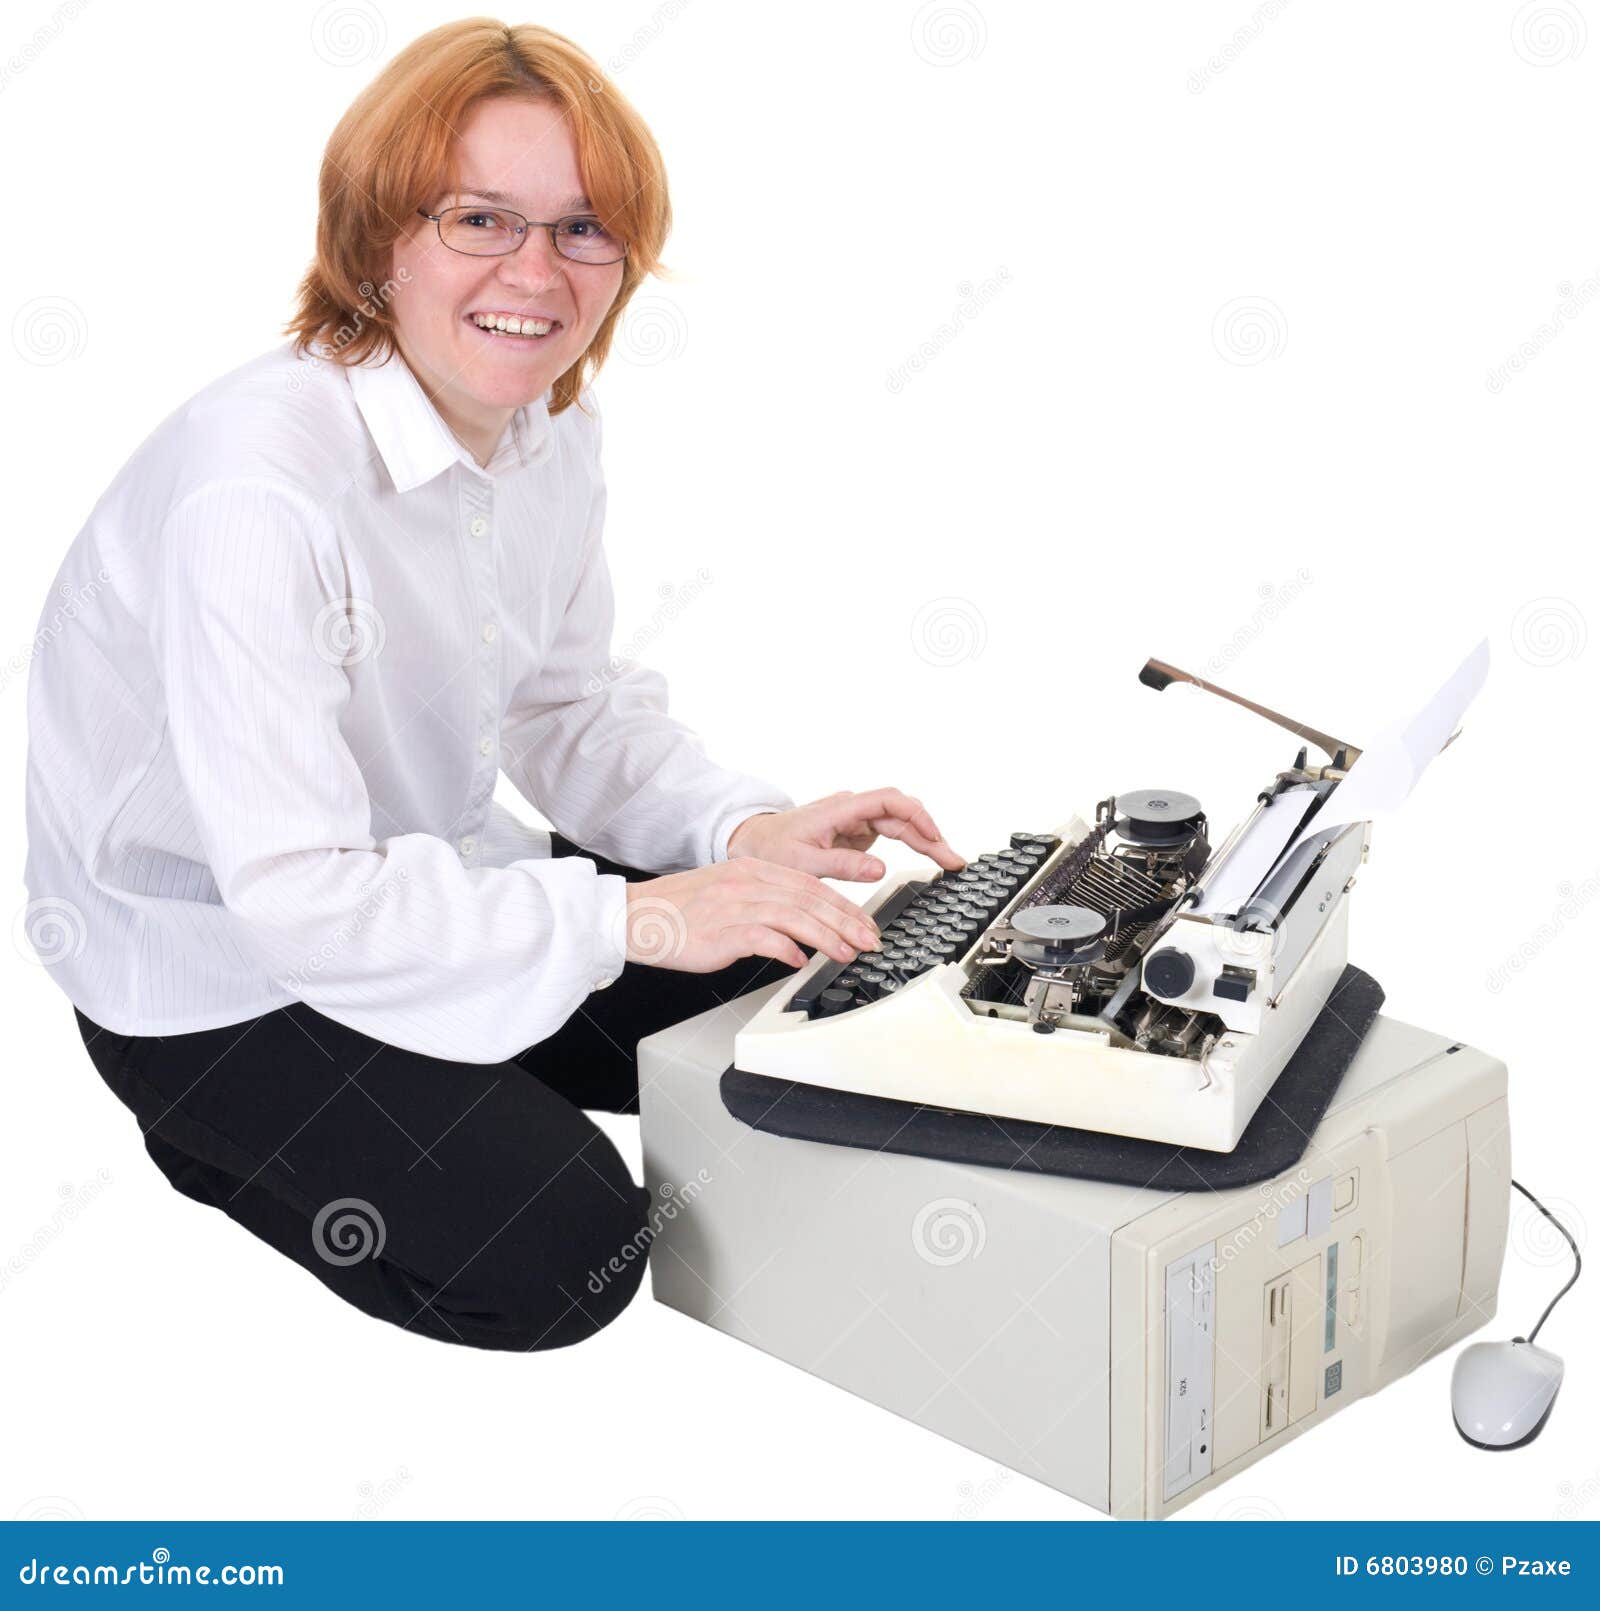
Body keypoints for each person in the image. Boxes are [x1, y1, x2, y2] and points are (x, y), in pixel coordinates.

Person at [21, 19, 962, 1352]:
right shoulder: (255, 488)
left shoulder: (550, 428)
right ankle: (215, 1135)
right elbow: (296, 898)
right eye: (481, 219)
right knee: (571, 1257)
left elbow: (565, 711)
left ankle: (474, 1031)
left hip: (429, 882)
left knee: (809, 977)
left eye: (584, 229)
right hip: (224, 970)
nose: (539, 271)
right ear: (380, 240)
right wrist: (631, 924)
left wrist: (739, 838)